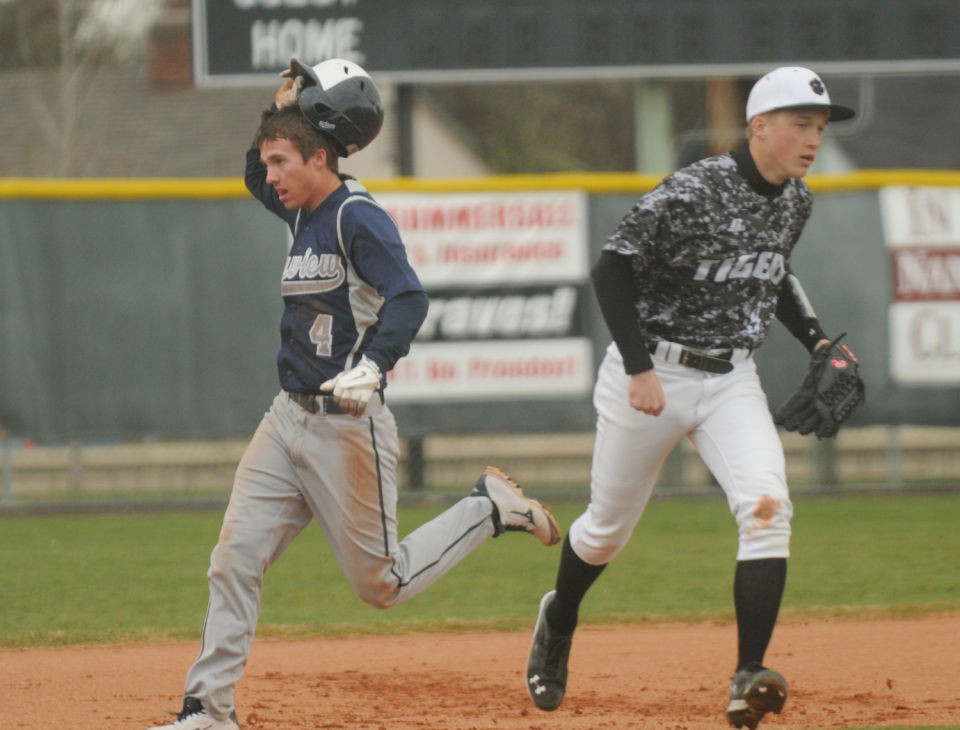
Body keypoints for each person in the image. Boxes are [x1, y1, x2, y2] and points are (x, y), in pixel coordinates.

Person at [147, 58, 560, 730]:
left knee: (382, 585)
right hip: (286, 421)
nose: (269, 175)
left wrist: (373, 364)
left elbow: (410, 297)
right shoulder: (302, 208)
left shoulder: (353, 216)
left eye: (282, 161)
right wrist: (272, 113)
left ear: (318, 157)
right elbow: (257, 172)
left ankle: (488, 511)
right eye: (270, 162)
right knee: (233, 559)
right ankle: (208, 709)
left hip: (346, 424)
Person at [524, 66, 857, 729]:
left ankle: (746, 677)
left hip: (732, 378)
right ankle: (559, 618)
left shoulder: (796, 200)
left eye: (819, 127)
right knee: (605, 532)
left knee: (767, 507)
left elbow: (774, 275)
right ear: (759, 127)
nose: (812, 138)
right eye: (800, 124)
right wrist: (641, 368)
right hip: (652, 374)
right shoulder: (693, 189)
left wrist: (819, 341)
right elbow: (610, 267)